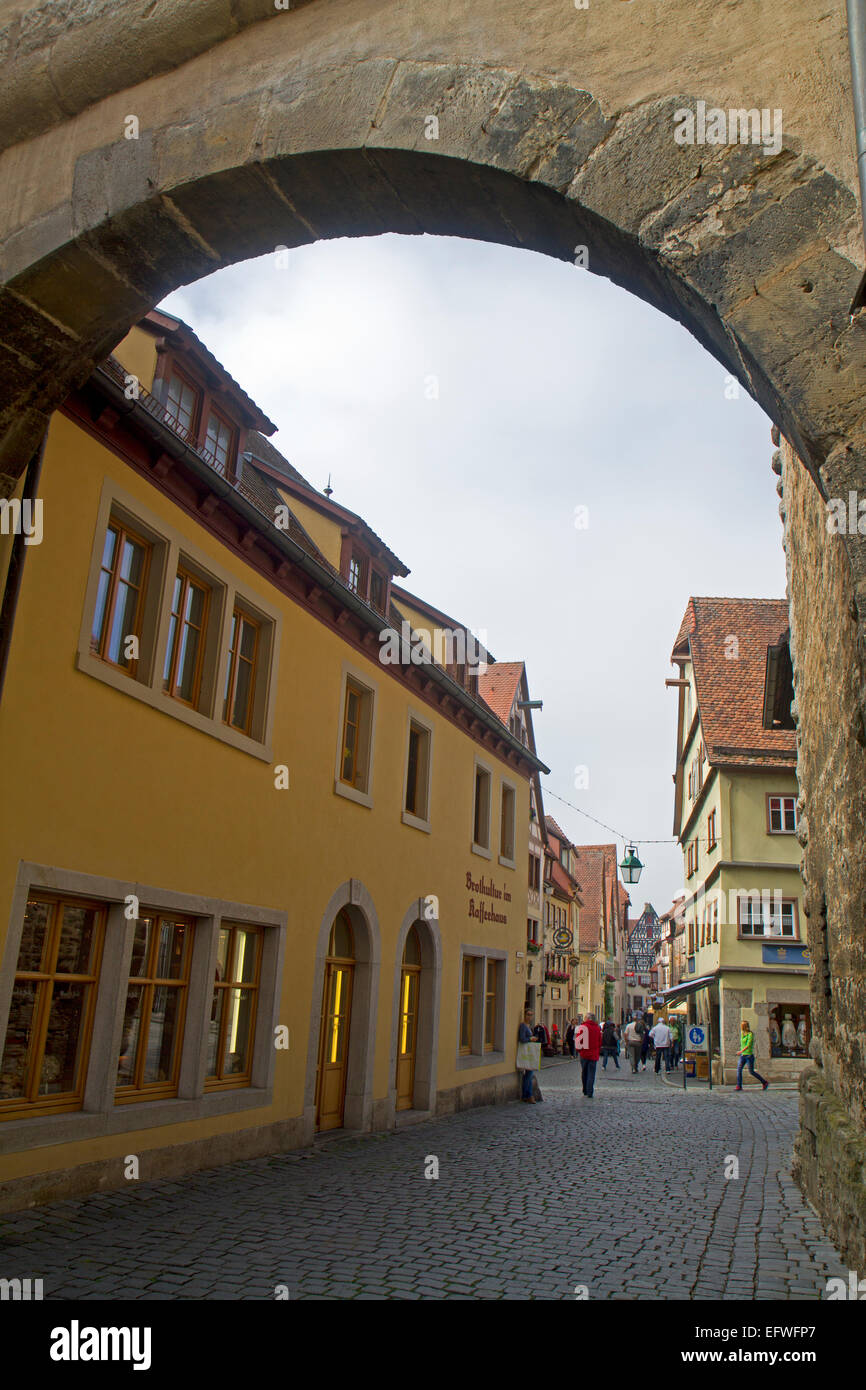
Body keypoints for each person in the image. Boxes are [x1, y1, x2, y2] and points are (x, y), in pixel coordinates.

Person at [736, 1020, 769, 1091]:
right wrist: (741, 1052)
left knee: (751, 1072)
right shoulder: (742, 1034)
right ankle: (739, 1086)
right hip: (743, 1055)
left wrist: (741, 1051)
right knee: (739, 1069)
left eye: (741, 1026)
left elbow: (748, 1045)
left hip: (749, 1056)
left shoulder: (750, 1034)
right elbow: (742, 1044)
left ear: (744, 1026)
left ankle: (764, 1082)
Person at [518, 1009, 540, 1103]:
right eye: (528, 1014)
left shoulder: (529, 1026)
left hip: (528, 1053)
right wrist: (531, 1038)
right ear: (524, 1015)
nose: (529, 1017)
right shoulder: (523, 1026)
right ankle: (528, 1095)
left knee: (528, 1075)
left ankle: (526, 1095)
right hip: (525, 1053)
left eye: (531, 1015)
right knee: (529, 1075)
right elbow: (522, 1039)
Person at [577, 1012, 602, 1096]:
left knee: (584, 1072)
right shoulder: (597, 1028)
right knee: (591, 1073)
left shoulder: (583, 1027)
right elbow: (599, 1041)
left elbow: (578, 1041)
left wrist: (579, 1050)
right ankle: (590, 1091)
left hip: (584, 1053)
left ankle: (585, 1089)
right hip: (593, 1054)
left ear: (586, 1019)